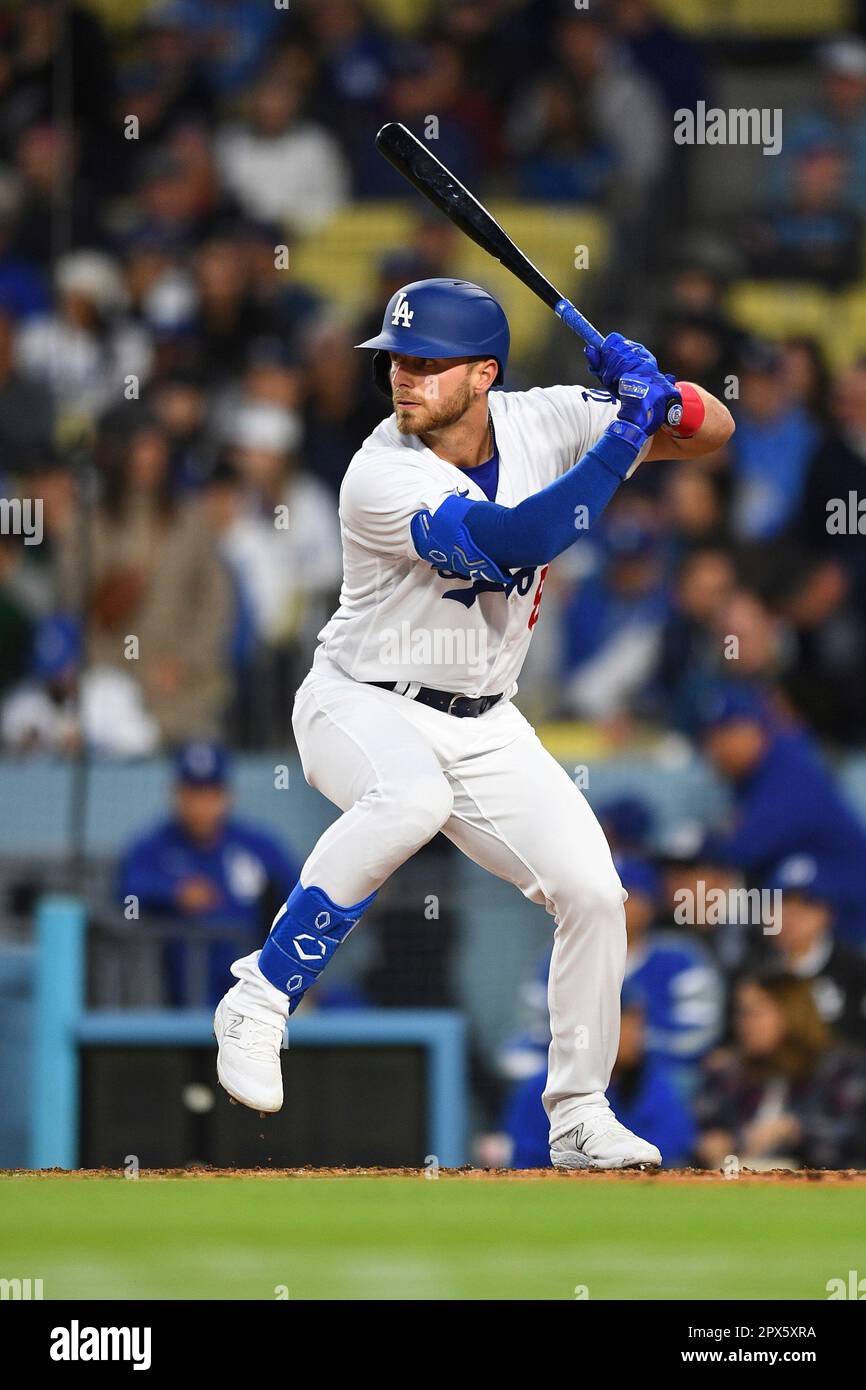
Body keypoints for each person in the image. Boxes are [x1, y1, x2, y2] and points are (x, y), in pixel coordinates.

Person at [214, 277, 734, 1169]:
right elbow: (521, 540)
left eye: (427, 364)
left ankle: (576, 1114)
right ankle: (261, 993)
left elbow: (718, 430)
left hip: (487, 720)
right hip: (361, 699)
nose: (404, 378)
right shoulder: (380, 472)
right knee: (408, 801)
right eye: (396, 362)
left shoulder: (545, 417)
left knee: (597, 895)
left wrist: (660, 392)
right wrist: (624, 428)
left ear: (484, 374)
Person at [119, 742, 299, 1007]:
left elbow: (298, 898)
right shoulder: (152, 847)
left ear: (226, 795)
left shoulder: (258, 845)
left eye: (210, 793)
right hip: (179, 994)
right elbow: (126, 897)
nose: (201, 804)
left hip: (255, 992)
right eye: (193, 792)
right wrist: (173, 893)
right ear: (176, 794)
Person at [697, 683, 866, 947]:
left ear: (754, 730)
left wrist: (714, 840)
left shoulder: (788, 768)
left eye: (726, 734)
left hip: (849, 915)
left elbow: (743, 849)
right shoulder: (756, 774)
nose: (715, 749)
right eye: (711, 737)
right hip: (808, 908)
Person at [694, 974, 866, 1171]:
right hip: (740, 1185)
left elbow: (851, 1135)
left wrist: (794, 1131)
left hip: (821, 1187)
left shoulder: (840, 1067)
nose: (743, 1024)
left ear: (791, 1013)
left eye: (754, 1013)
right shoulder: (729, 1070)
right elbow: (703, 1124)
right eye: (740, 1013)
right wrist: (714, 1141)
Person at [503, 997, 696, 1170]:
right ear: (597, 1030)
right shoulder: (547, 1084)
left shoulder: (652, 1081)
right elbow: (526, 1155)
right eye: (626, 1026)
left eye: (639, 1026)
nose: (635, 1036)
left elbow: (673, 1145)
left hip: (635, 1192)